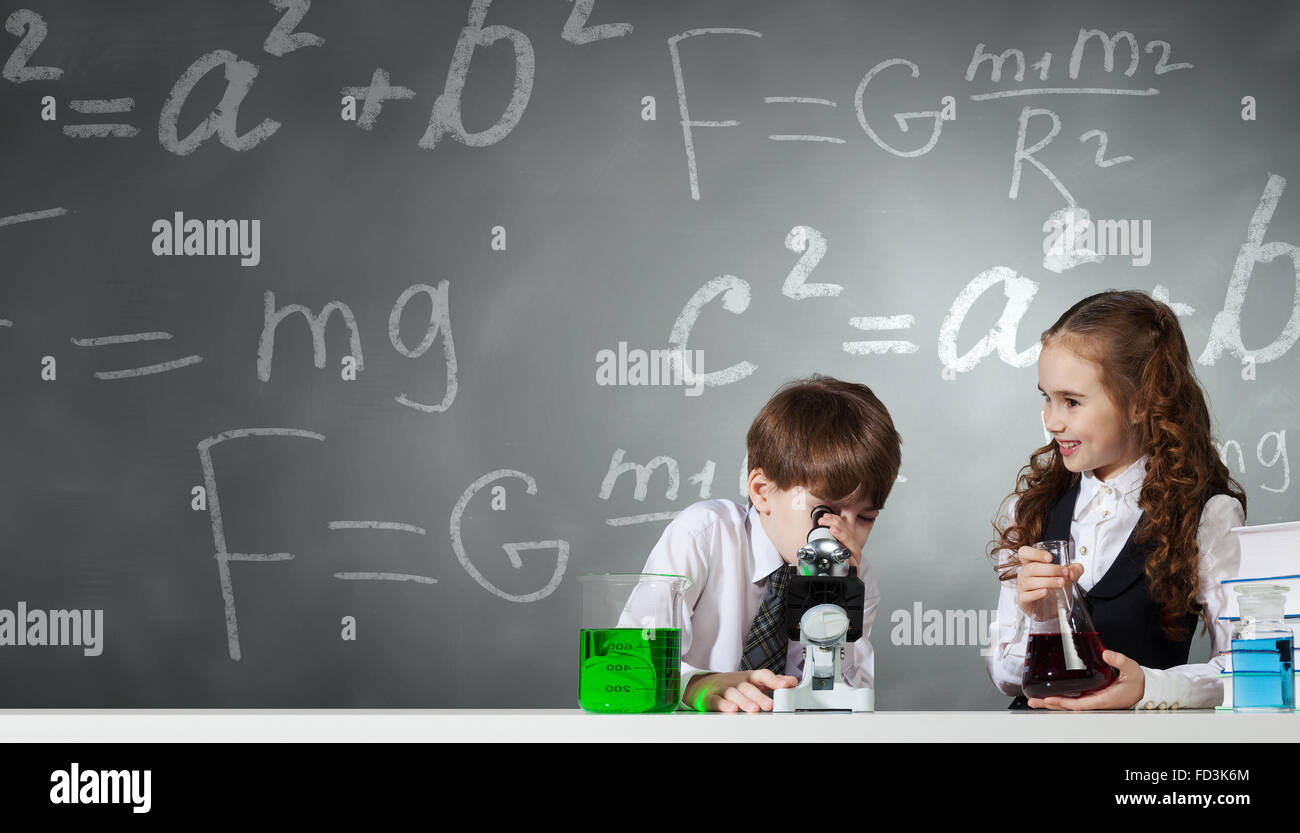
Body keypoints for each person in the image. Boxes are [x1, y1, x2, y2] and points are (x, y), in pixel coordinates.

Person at [985, 290, 1247, 710]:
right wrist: (1039, 618)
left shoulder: (1207, 516)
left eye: (1071, 401)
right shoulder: (1030, 510)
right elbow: (1006, 676)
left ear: (1140, 402)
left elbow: (1243, 665)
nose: (1052, 421)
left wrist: (1150, 686)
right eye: (1046, 398)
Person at [635, 374, 902, 712]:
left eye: (866, 518)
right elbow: (630, 662)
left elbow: (849, 699)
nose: (843, 535)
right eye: (825, 511)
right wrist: (695, 684)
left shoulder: (857, 576)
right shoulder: (702, 536)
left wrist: (840, 598)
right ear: (763, 492)